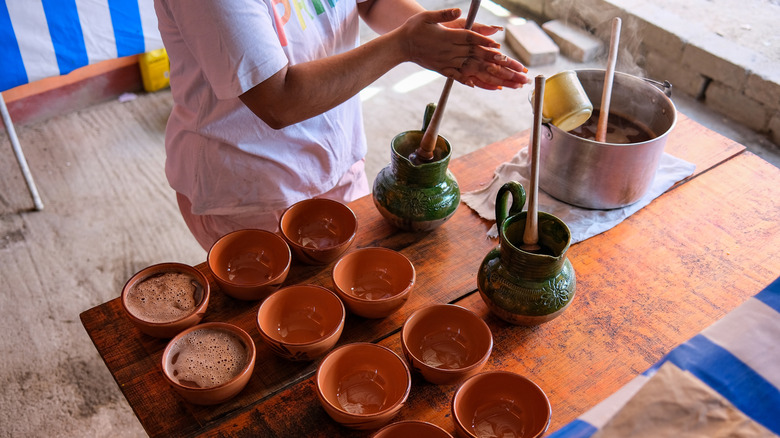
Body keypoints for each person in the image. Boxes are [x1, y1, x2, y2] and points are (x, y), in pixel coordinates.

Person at [154, 0, 530, 251]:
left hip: (337, 159)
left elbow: (370, 1)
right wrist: (407, 46)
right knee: (289, 327)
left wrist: (438, 39)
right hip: (251, 192)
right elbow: (278, 98)